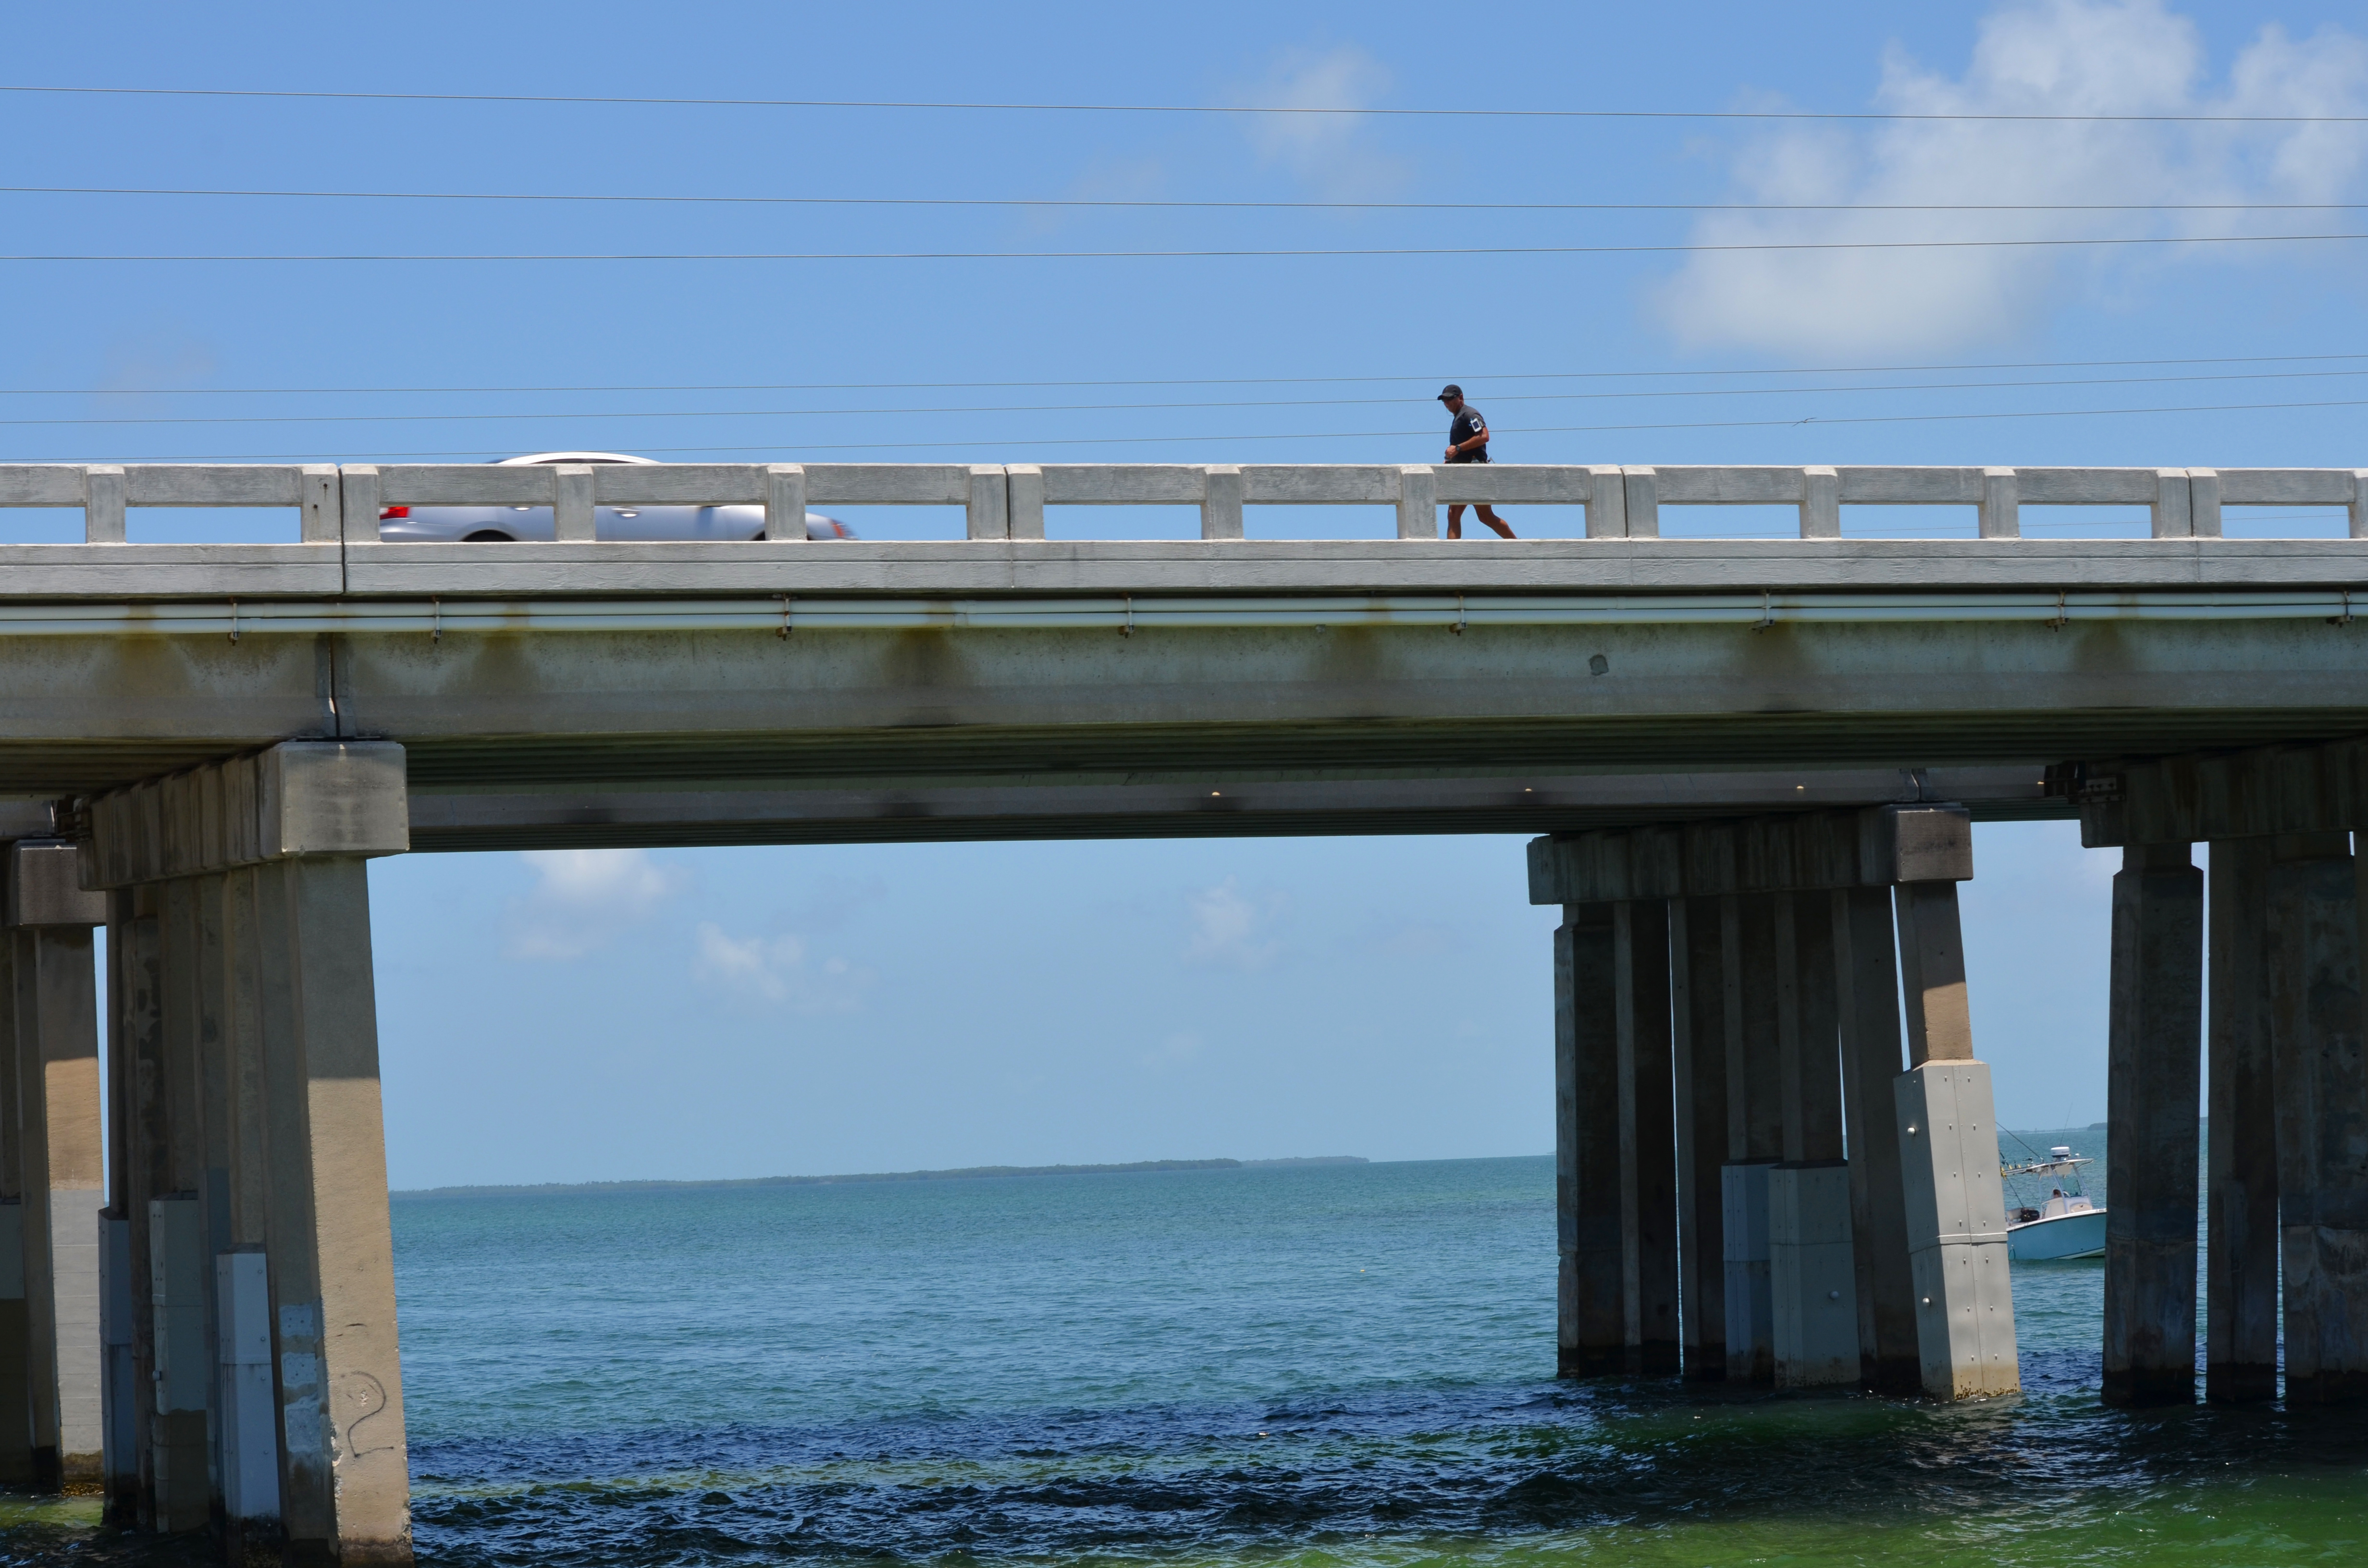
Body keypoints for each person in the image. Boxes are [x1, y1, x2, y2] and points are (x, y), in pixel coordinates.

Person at [1436, 384, 1515, 539]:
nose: (1447, 403)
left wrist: (1457, 449)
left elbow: (1484, 436)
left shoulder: (1469, 414)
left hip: (1474, 471)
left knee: (1461, 515)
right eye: (1444, 400)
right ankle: (1519, 547)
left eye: (1450, 399)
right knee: (1477, 516)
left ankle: (1520, 548)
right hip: (1466, 472)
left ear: (1461, 398)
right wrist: (1451, 460)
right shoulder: (1460, 416)